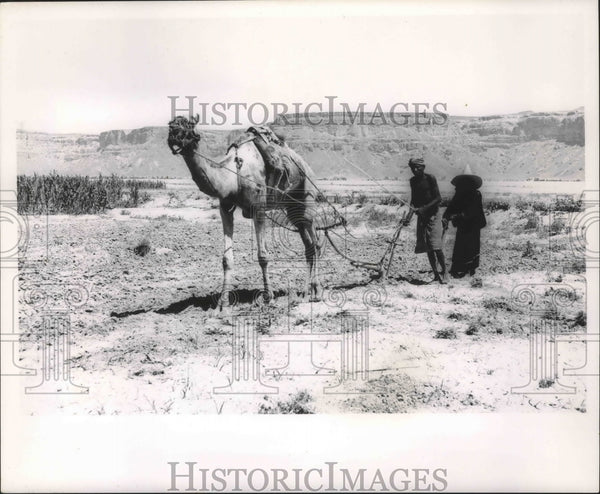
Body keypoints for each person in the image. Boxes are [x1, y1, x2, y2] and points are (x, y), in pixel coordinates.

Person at [405, 157, 448, 284]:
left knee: (436, 247)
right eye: (412, 168)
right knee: (428, 248)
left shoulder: (430, 178)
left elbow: (438, 198)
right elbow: (413, 201)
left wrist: (424, 209)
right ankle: (435, 274)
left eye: (417, 167)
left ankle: (445, 272)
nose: (415, 170)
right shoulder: (412, 181)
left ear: (423, 167)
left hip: (433, 215)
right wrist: (409, 216)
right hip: (422, 217)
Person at [443, 165, 487, 277]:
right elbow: (452, 206)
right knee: (461, 244)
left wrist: (457, 216)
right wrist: (446, 216)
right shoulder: (459, 193)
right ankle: (459, 268)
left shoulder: (476, 194)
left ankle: (470, 268)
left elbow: (473, 210)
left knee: (472, 244)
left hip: (473, 223)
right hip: (463, 224)